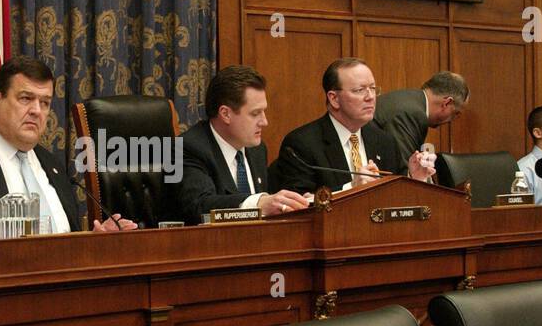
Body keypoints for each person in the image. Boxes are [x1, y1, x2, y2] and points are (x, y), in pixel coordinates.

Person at [0, 57, 137, 240]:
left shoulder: (53, 165)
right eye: (26, 99)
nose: (37, 111)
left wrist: (92, 242)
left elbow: (67, 238)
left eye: (45, 103)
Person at [272, 59, 436, 193]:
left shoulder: (383, 140)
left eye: (372, 88)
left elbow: (395, 194)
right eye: (359, 90)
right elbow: (296, 205)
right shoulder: (302, 144)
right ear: (334, 99)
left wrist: (412, 176)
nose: (370, 97)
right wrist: (350, 188)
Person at [176, 65, 310, 224]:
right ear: (226, 114)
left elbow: (269, 207)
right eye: (255, 114)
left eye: (264, 111)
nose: (264, 122)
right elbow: (199, 206)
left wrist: (291, 204)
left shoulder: (257, 149)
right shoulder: (185, 148)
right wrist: (258, 204)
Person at [374, 71, 469, 161]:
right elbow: (404, 171)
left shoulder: (409, 100)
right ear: (447, 103)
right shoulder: (413, 114)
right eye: (456, 113)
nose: (452, 120)